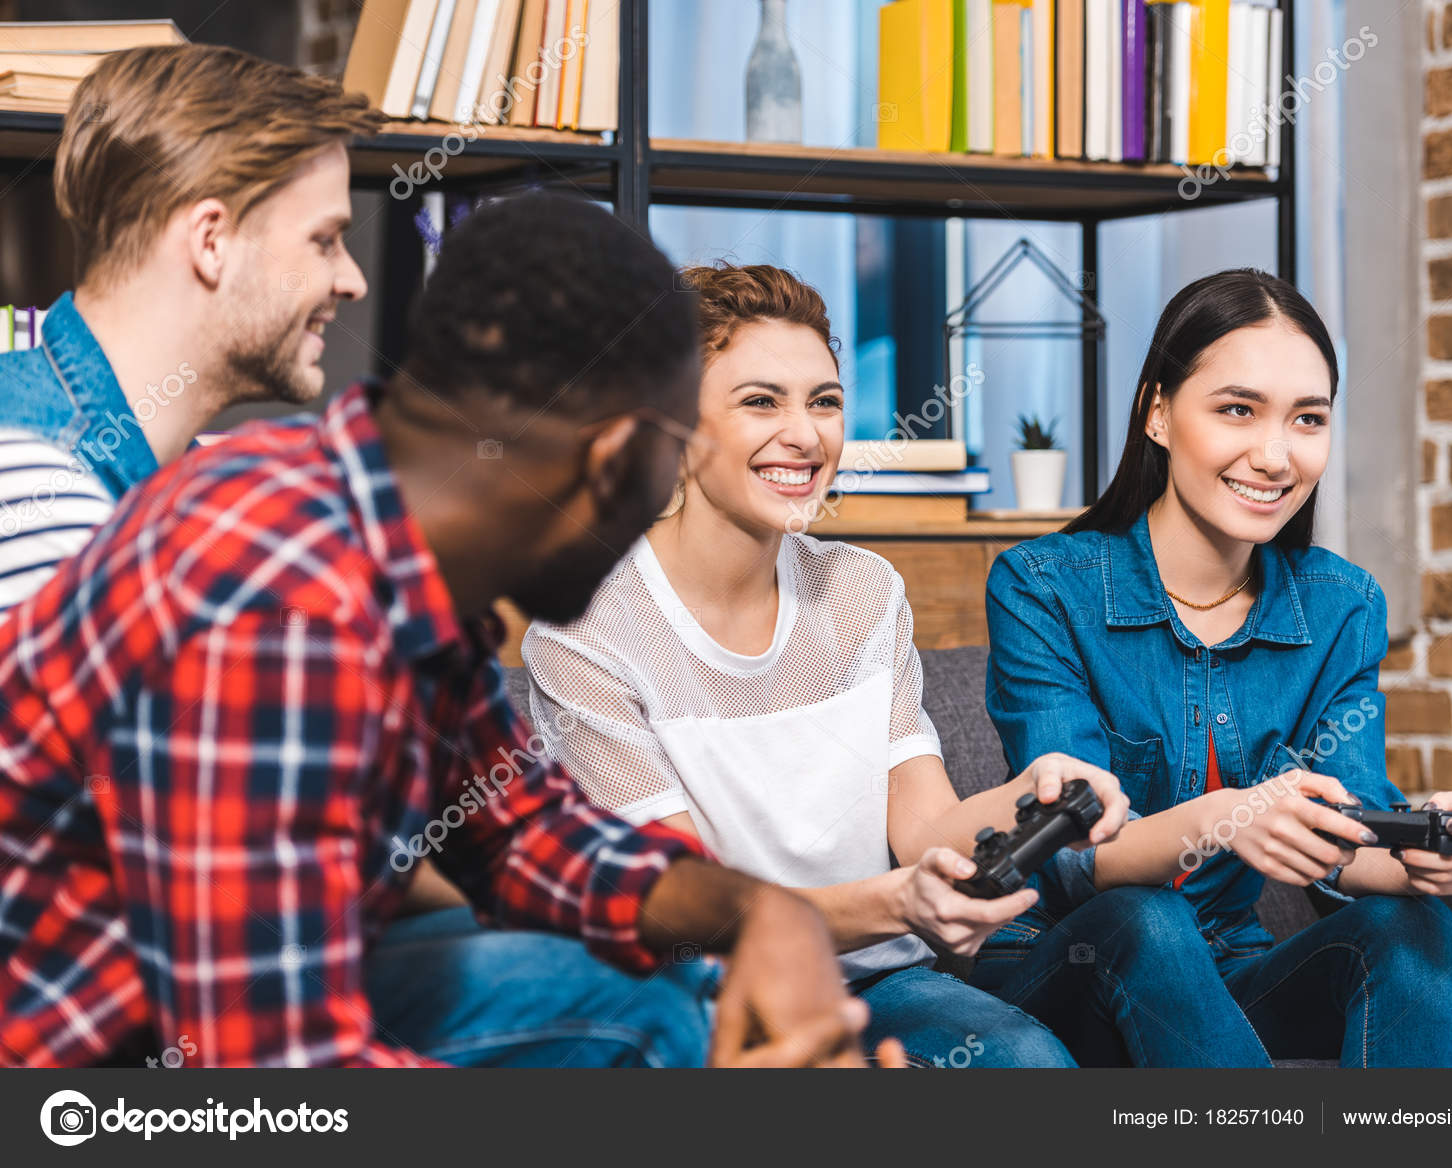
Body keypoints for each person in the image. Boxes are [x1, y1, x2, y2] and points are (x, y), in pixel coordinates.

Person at [0, 194, 893, 1070]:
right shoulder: (280, 606)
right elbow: (274, 1076)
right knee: (661, 1029)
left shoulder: (394, 541)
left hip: (231, 1023)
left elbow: (523, 835)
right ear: (615, 459)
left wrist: (765, 914)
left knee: (651, 1001)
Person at [522, 263, 1163, 1068]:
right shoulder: (587, 627)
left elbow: (926, 827)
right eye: (761, 401)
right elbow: (696, 911)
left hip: (877, 979)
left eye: (823, 401)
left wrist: (1031, 794)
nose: (806, 434)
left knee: (1026, 1064)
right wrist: (896, 900)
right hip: (714, 1001)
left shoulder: (861, 590)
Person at [975, 268, 1452, 1067]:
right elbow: (1073, 856)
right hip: (1065, 963)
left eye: (1308, 419)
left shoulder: (1341, 606)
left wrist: (1435, 855)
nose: (1276, 455)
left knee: (1414, 926)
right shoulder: (1043, 586)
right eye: (1237, 410)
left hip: (1229, 968)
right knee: (1149, 918)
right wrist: (1234, 814)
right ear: (1157, 412)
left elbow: (1346, 834)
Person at [0, 44, 375, 614]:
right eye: (324, 240)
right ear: (211, 243)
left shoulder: (172, 482)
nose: (353, 281)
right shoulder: (43, 510)